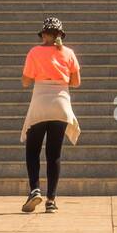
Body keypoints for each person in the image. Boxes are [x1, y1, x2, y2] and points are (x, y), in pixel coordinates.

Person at [20, 17, 81, 213]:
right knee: (54, 154)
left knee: (32, 151)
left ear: (44, 34)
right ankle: (51, 200)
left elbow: (25, 82)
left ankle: (35, 189)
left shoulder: (34, 52)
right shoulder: (68, 53)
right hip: (61, 104)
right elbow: (76, 82)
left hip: (40, 102)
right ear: (60, 35)